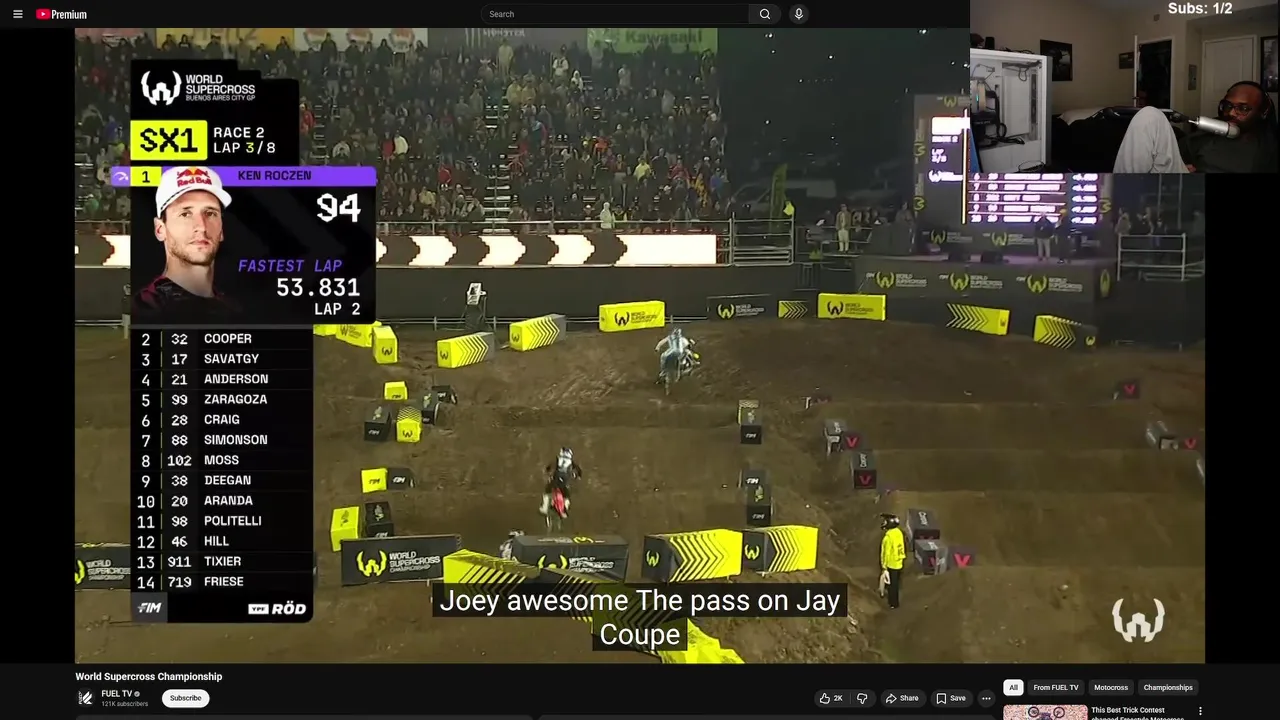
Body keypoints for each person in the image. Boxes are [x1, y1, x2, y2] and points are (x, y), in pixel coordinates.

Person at [134, 166, 240, 322]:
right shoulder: (144, 311)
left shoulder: (235, 311)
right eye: (185, 214)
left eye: (210, 213)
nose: (201, 226)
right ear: (160, 229)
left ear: (222, 229)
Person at [1114, 81, 1278, 173]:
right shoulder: (1210, 133)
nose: (1231, 113)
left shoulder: (1268, 147)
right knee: (1149, 115)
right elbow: (1175, 156)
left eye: (1243, 108)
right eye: (1227, 106)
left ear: (1262, 112)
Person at [540, 447, 579, 517]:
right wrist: (577, 476)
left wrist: (547, 471)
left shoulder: (558, 459)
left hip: (555, 480)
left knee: (547, 492)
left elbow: (550, 466)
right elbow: (578, 470)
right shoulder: (571, 462)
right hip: (565, 483)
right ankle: (564, 510)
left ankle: (544, 508)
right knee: (566, 496)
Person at [879, 513, 906, 610]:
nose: (884, 523)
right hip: (899, 562)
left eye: (885, 521)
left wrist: (884, 566)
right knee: (896, 583)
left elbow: (885, 553)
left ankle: (893, 603)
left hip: (891, 564)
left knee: (892, 585)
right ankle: (894, 601)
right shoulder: (899, 533)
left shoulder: (888, 537)